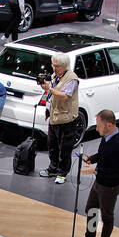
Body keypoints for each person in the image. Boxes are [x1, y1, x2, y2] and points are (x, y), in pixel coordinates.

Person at [67, 110, 119, 237]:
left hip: (109, 187)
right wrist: (92, 159)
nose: (96, 128)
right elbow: (103, 155)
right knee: (91, 210)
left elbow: (116, 172)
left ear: (109, 124)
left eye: (99, 125)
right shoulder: (106, 137)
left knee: (107, 218)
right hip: (99, 182)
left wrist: (96, 170)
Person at [38, 52, 80, 184]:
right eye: (53, 65)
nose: (54, 68)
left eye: (57, 66)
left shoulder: (72, 79)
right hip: (54, 118)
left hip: (66, 119)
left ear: (65, 66)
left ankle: (62, 173)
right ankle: (52, 169)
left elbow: (65, 96)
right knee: (52, 146)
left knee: (65, 149)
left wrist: (50, 89)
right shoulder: (55, 76)